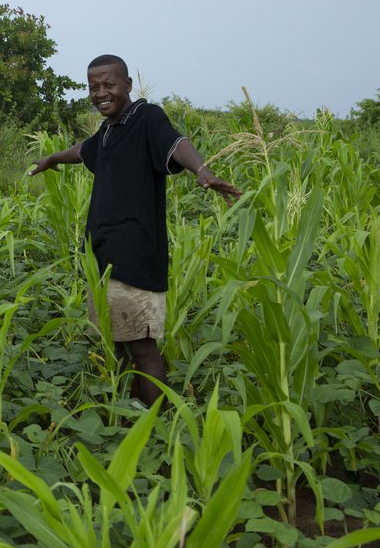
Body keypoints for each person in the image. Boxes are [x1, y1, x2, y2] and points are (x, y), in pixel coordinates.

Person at [30, 54, 241, 406]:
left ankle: (156, 422)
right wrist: (52, 158)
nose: (100, 93)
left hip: (135, 257)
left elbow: (175, 142)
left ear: (128, 85)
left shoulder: (146, 117)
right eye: (93, 87)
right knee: (120, 345)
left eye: (108, 84)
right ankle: (130, 416)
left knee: (142, 348)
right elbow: (85, 150)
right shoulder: (109, 130)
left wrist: (201, 169)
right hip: (104, 257)